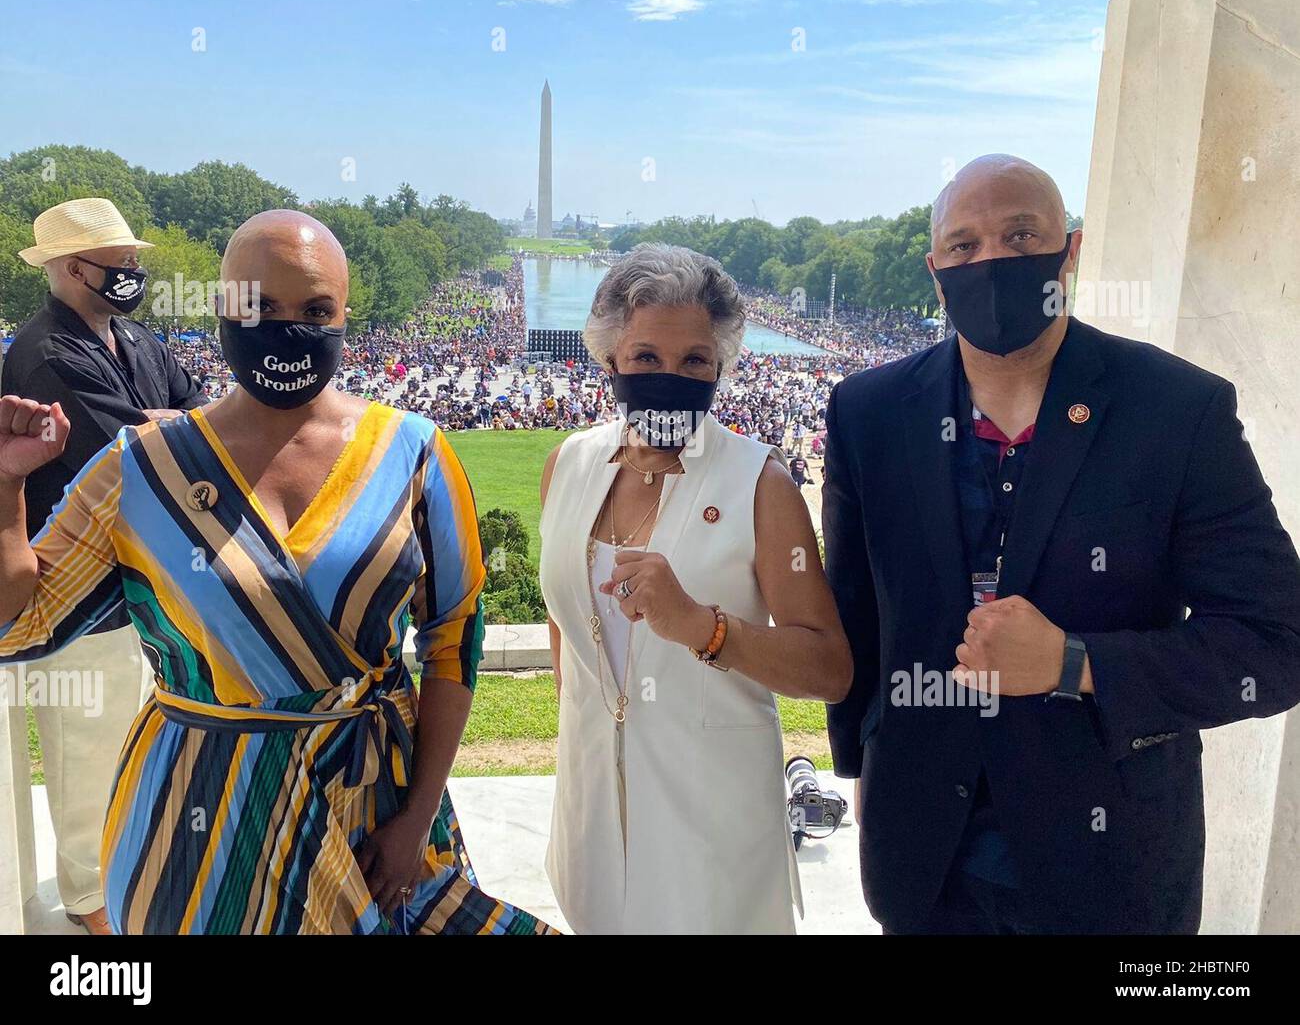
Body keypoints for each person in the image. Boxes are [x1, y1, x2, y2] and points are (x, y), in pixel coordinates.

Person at [0, 210, 555, 935]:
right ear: (223, 308)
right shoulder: (138, 468)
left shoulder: (415, 454)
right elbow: (20, 623)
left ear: (344, 316)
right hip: (193, 829)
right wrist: (8, 487)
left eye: (314, 309)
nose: (287, 327)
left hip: (371, 814)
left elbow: (453, 643)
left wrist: (417, 818)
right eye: (258, 306)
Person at [823, 154, 1300, 934]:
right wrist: (859, 765)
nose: (995, 261)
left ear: (1069, 252)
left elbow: (1278, 643)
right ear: (936, 269)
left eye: (1021, 235)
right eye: (966, 245)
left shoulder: (1179, 412)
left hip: (1111, 873)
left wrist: (1075, 665)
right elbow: (858, 622)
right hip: (925, 868)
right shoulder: (868, 413)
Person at [539, 243, 853, 934]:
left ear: (721, 367)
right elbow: (569, 626)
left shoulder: (760, 485)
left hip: (713, 831)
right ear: (610, 357)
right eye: (648, 358)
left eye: (695, 362)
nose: (669, 377)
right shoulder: (567, 467)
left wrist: (705, 629)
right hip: (593, 815)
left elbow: (829, 668)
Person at [2, 198, 206, 934]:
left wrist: (171, 427)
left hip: (139, 580)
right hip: (74, 589)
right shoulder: (44, 354)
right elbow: (131, 456)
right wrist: (172, 428)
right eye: (117, 264)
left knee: (136, 736)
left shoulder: (135, 341)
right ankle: (91, 900)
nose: (131, 273)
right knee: (87, 746)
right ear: (68, 269)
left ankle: (128, 875)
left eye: (131, 262)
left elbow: (198, 415)